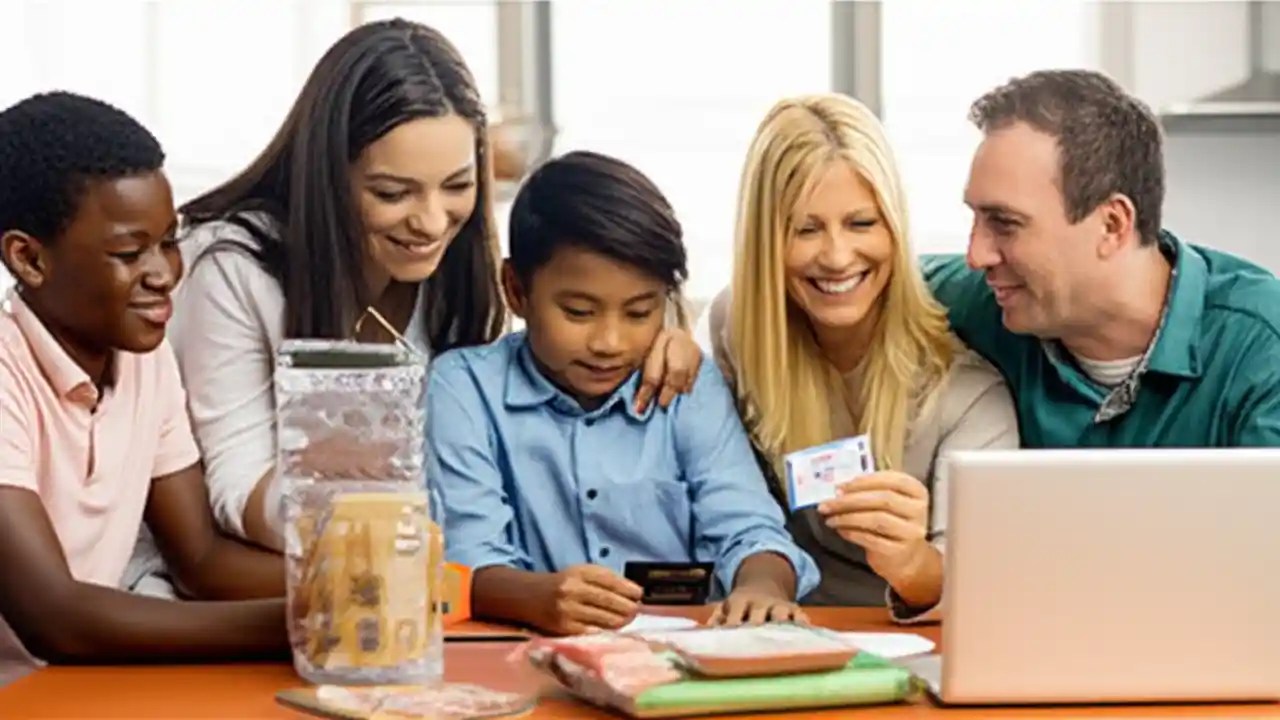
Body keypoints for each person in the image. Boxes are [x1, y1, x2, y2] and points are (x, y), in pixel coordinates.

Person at [166, 19, 701, 557]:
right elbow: (237, 485)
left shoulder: (454, 265)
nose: (430, 221)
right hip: (292, 574)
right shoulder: (235, 267)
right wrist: (393, 518)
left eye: (458, 186)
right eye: (393, 192)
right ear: (328, 174)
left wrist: (664, 332)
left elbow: (546, 342)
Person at [428, 151, 819, 635]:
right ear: (516, 290)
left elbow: (748, 527)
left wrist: (762, 588)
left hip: (682, 660)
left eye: (638, 313)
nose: (609, 344)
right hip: (525, 657)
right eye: (578, 312)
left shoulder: (688, 386)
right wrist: (537, 598)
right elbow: (466, 558)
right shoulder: (465, 390)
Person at [0, 92, 288, 684]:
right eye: (131, 253)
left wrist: (363, 583)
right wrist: (299, 622)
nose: (164, 275)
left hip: (77, 689)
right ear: (28, 259)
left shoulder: (143, 359)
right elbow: (55, 615)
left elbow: (200, 560)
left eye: (169, 241)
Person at [695, 93, 1018, 620]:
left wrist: (911, 561)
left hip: (902, 640)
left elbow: (982, 586)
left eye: (862, 224)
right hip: (772, 628)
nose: (838, 256)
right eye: (805, 229)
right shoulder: (737, 328)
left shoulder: (967, 394)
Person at [924, 69, 1280, 446]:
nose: (976, 256)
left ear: (1112, 225)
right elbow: (877, 275)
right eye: (975, 218)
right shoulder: (972, 304)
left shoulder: (1262, 350)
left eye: (1005, 223)